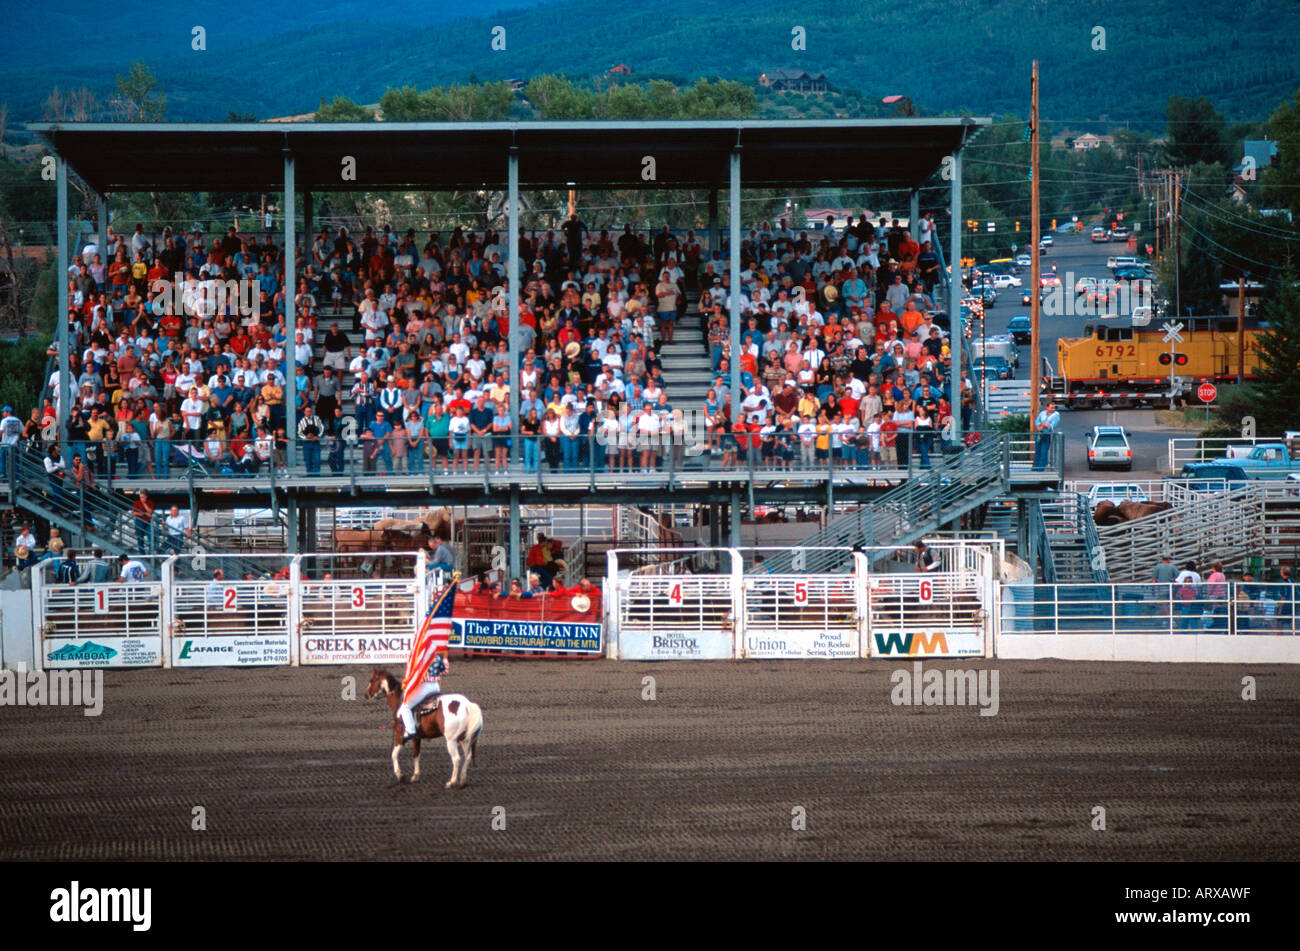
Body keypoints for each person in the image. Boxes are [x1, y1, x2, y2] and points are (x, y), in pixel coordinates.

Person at [396, 652, 448, 743]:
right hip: (435, 686)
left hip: (425, 687)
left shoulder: (419, 658)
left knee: (405, 707)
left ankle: (410, 730)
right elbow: (444, 670)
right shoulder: (436, 657)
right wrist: (445, 660)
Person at [1033, 401, 1060, 471]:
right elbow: (1037, 422)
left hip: (1046, 434)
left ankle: (1040, 469)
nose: (1053, 409)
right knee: (1037, 451)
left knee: (1044, 452)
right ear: (1047, 407)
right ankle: (1035, 467)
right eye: (1051, 408)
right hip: (1039, 433)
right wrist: (1042, 425)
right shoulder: (1042, 413)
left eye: (1054, 408)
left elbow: (1052, 425)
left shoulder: (1056, 415)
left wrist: (1043, 425)